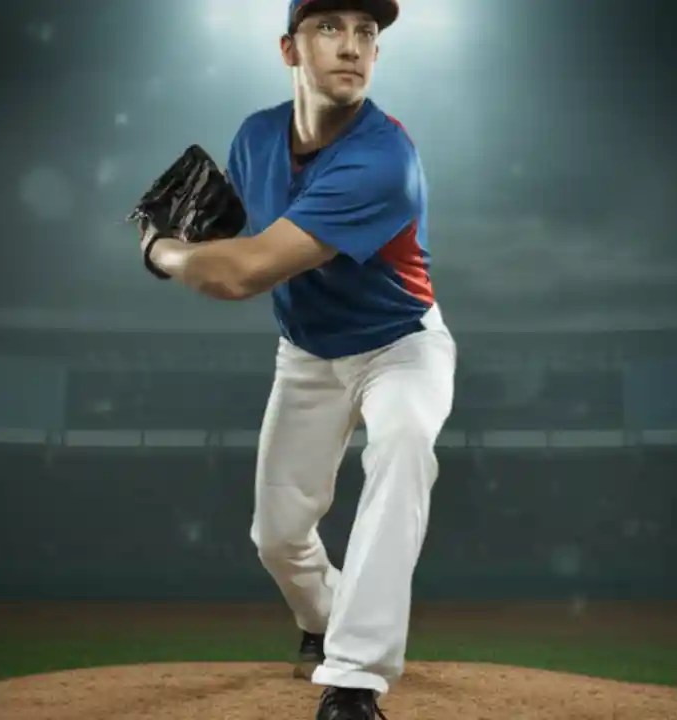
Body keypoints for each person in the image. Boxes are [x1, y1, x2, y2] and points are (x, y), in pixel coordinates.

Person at [140, 1, 455, 717]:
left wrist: (163, 250)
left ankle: (353, 678)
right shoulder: (254, 137)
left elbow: (240, 274)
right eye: (329, 28)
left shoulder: (384, 158)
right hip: (308, 356)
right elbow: (249, 233)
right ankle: (324, 616)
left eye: (367, 32)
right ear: (290, 49)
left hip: (401, 345)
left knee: (404, 443)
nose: (352, 45)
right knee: (278, 538)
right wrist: (215, 241)